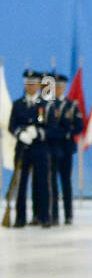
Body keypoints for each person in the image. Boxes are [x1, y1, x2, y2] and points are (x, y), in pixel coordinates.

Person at [8, 70, 51, 228]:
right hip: (23, 149)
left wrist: (38, 132)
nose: (30, 86)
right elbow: (12, 125)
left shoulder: (45, 105)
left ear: (39, 85)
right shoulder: (18, 104)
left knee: (42, 184)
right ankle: (20, 217)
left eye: (33, 83)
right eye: (28, 83)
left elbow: (51, 127)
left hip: (40, 148)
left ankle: (43, 216)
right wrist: (19, 133)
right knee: (21, 183)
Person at [49, 73, 81, 225]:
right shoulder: (48, 104)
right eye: (56, 86)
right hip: (52, 147)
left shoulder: (71, 105)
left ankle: (69, 215)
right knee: (52, 183)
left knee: (66, 182)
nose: (58, 89)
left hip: (66, 149)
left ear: (65, 87)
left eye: (61, 86)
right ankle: (54, 214)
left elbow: (79, 126)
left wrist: (68, 133)